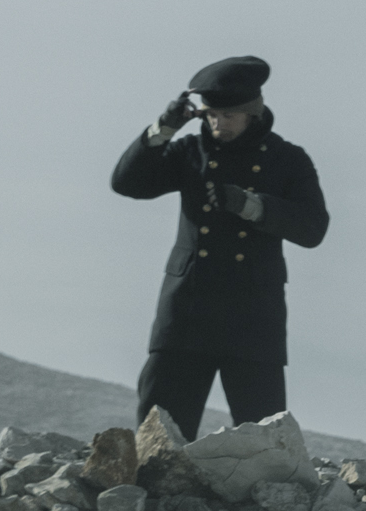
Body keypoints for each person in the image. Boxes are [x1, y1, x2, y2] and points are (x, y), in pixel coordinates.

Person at [110, 56, 331, 440]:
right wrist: (163, 129)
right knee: (159, 434)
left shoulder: (287, 159)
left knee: (264, 439)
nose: (218, 124)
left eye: (228, 116)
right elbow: (127, 183)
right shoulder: (189, 152)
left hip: (252, 316)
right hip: (186, 313)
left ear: (252, 113)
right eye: (210, 115)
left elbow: (313, 228)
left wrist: (251, 205)